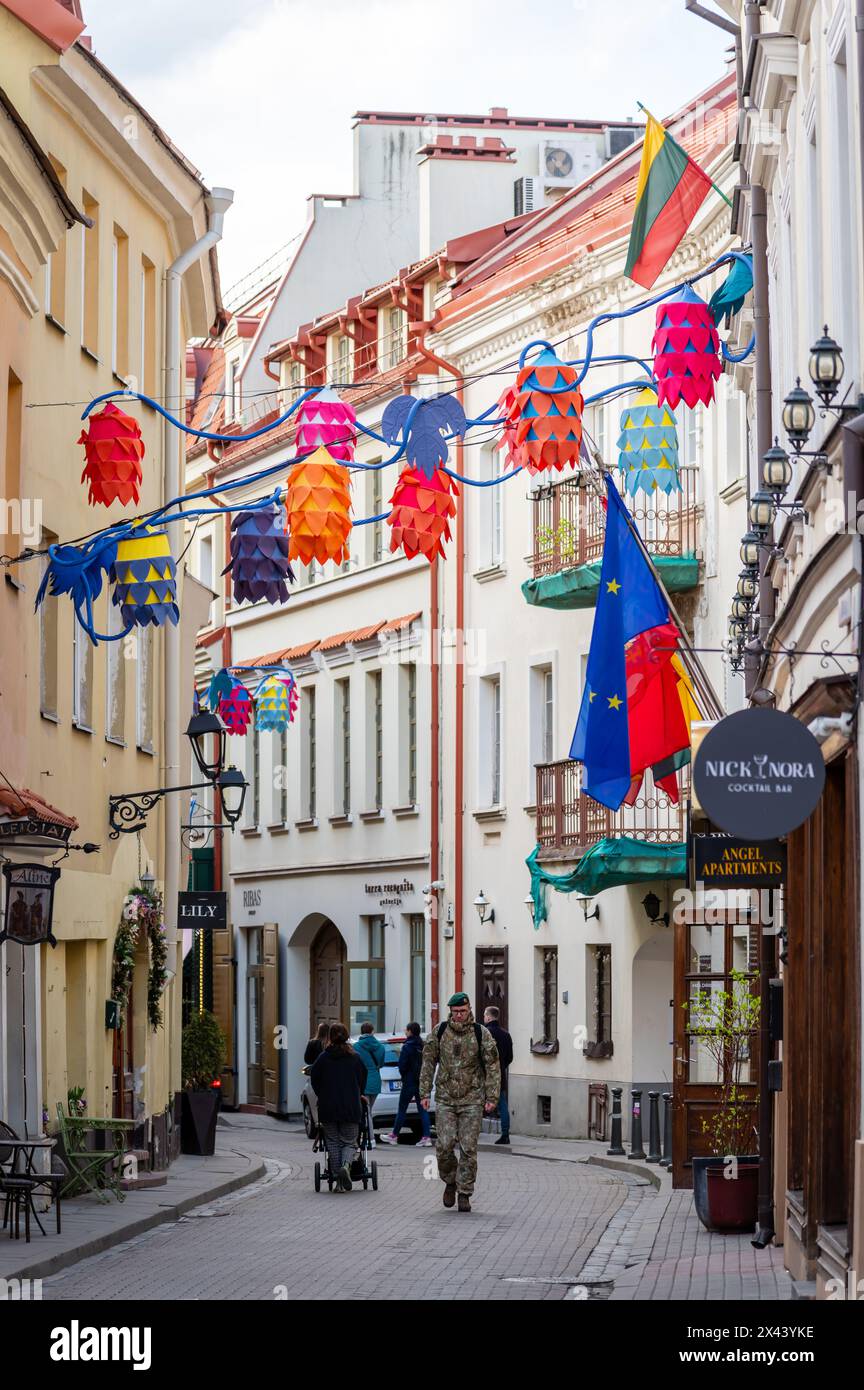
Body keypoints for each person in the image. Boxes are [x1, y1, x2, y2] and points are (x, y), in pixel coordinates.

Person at [419, 992, 500, 1213]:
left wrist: (492, 1096)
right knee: (444, 1146)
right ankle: (450, 1180)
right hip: (445, 1097)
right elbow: (428, 1062)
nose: (459, 1015)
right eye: (455, 1012)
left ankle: (464, 1193)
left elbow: (493, 1066)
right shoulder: (440, 1031)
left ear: (469, 1010)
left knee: (468, 1148)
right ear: (450, 1011)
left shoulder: (480, 1033)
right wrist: (424, 1093)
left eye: (463, 1011)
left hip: (472, 1098)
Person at [309, 1023, 367, 1192]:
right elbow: (362, 1078)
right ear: (347, 1036)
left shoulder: (323, 1058)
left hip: (328, 1108)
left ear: (330, 1037)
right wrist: (359, 1092)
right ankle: (346, 1166)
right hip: (350, 1107)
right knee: (349, 1142)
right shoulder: (355, 1058)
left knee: (332, 1142)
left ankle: (337, 1179)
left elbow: (314, 1079)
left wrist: (322, 1094)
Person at [380, 1022, 432, 1146]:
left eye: (406, 1029)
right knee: (422, 1109)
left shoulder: (407, 1046)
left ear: (410, 1031)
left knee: (402, 1109)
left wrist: (404, 1076)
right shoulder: (423, 1045)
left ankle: (394, 1136)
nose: (405, 1031)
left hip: (409, 1081)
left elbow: (402, 1065)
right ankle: (426, 1137)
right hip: (421, 1081)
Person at [483, 1006, 513, 1146]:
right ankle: (505, 1134)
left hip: (483, 1074)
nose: (484, 1018)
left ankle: (468, 1133)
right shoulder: (506, 1034)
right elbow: (510, 1057)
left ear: (489, 1017)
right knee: (502, 1104)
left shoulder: (484, 1033)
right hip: (499, 1074)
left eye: (485, 1015)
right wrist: (501, 1066)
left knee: (475, 1103)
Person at [353, 1021, 386, 1147]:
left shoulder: (356, 1046)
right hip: (375, 1079)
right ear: (372, 1031)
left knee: (365, 1111)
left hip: (363, 1080)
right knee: (368, 1110)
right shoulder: (380, 1046)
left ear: (361, 1031)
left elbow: (355, 1064)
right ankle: (369, 1138)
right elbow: (381, 1064)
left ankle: (370, 1139)